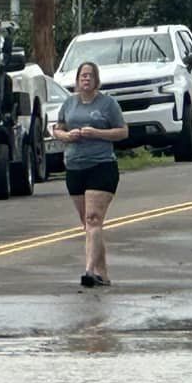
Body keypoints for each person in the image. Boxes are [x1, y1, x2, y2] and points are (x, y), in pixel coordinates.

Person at [52, 60, 129, 288]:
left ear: (96, 80)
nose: (86, 79)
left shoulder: (107, 104)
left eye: (90, 76)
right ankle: (102, 272)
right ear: (77, 80)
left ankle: (88, 271)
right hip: (75, 166)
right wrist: (65, 136)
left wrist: (97, 132)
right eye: (82, 76)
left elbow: (123, 132)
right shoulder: (69, 103)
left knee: (93, 218)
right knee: (89, 225)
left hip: (101, 165)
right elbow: (58, 128)